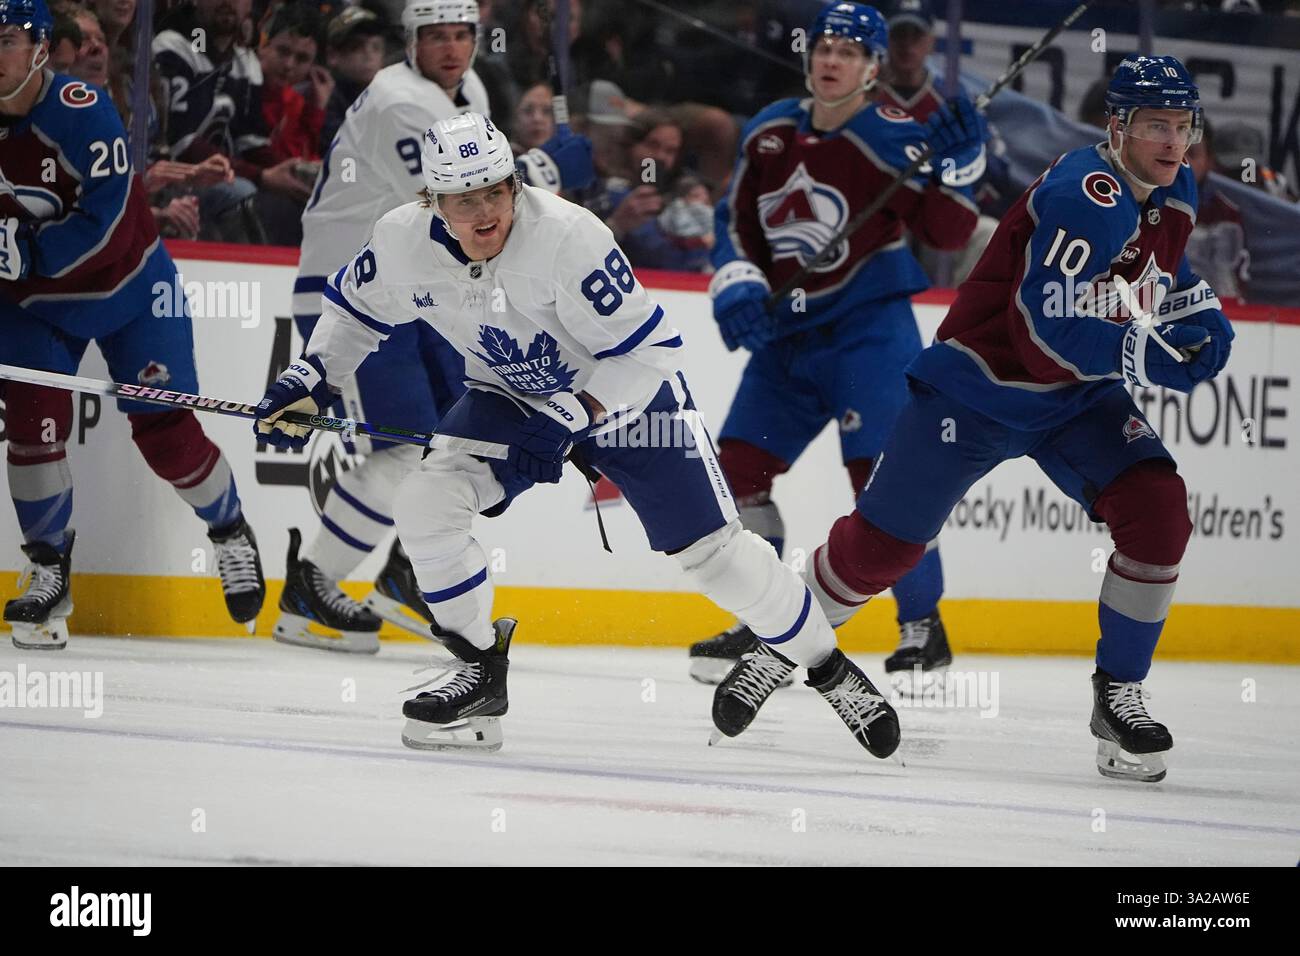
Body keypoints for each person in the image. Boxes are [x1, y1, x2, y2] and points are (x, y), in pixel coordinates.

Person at [254, 111, 900, 758]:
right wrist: (312, 374)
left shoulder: (568, 236)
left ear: (514, 185)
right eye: (464, 200)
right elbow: (355, 312)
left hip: (624, 399)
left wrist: (570, 415)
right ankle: (480, 669)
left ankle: (826, 666)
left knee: (714, 557)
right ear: (433, 202)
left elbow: (649, 354)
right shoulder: (400, 242)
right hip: (509, 395)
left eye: (496, 193)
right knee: (427, 501)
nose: (485, 215)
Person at [763, 55, 1232, 783]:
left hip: (1075, 399)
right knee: (882, 552)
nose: (1174, 142)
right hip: (979, 389)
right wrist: (1144, 354)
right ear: (1118, 127)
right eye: (1155, 126)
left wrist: (1198, 313)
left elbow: (1157, 270)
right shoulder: (1084, 192)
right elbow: (1044, 329)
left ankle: (1119, 697)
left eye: (1182, 126)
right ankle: (779, 644)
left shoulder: (1177, 188)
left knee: (1159, 512)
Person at [690, 2, 986, 697]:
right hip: (789, 340)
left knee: (884, 486)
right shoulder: (769, 130)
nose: (832, 60)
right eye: (824, 47)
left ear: (874, 68)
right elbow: (735, 221)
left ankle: (922, 626)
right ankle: (766, 621)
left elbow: (945, 234)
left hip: (868, 331)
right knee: (737, 474)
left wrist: (964, 164)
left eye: (850, 52)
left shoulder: (894, 137)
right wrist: (736, 281)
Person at [282, 0, 594, 654]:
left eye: (462, 34)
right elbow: (441, 205)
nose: (452, 48)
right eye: (436, 36)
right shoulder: (400, 100)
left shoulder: (467, 90)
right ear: (409, 41)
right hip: (358, 284)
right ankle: (311, 587)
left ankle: (402, 576)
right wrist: (546, 169)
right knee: (401, 444)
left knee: (446, 438)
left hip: (424, 285)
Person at [0, 0, 265, 649]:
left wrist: (25, 252)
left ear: (38, 45)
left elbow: (111, 224)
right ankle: (49, 571)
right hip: (32, 308)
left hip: (132, 292)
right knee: (32, 430)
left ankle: (228, 529)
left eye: (2, 38)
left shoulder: (84, 111)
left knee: (167, 430)